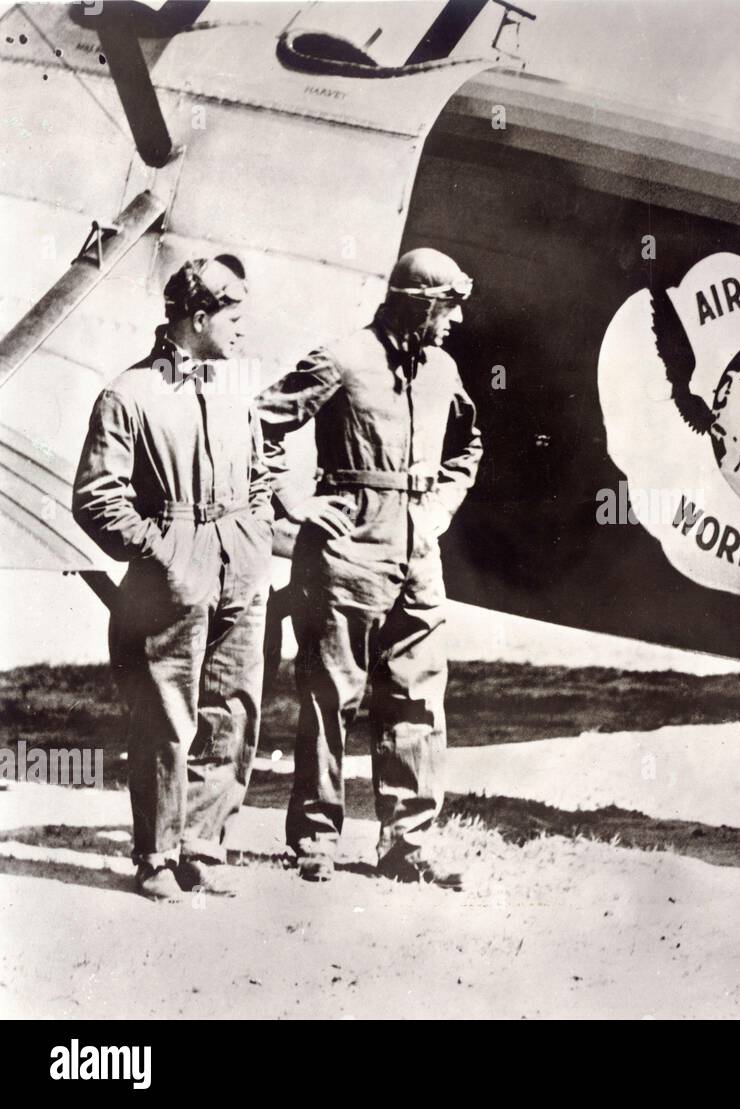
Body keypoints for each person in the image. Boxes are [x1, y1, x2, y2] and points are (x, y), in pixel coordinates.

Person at [258, 248, 482, 883]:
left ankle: (407, 846)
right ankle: (316, 840)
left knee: (418, 698)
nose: (455, 322)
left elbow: (468, 446)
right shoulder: (342, 359)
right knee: (330, 699)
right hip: (344, 557)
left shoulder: (442, 370)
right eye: (447, 309)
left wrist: (440, 507)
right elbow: (258, 423)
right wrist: (294, 500)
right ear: (419, 305)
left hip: (418, 558)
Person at [73, 254, 274, 901]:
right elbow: (97, 499)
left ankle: (202, 846)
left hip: (239, 560)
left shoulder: (233, 390)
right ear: (199, 317)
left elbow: (261, 477)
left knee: (232, 708)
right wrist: (165, 557)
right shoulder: (129, 394)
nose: (243, 328)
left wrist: (256, 539)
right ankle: (157, 855)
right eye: (234, 317)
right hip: (172, 566)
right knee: (164, 715)